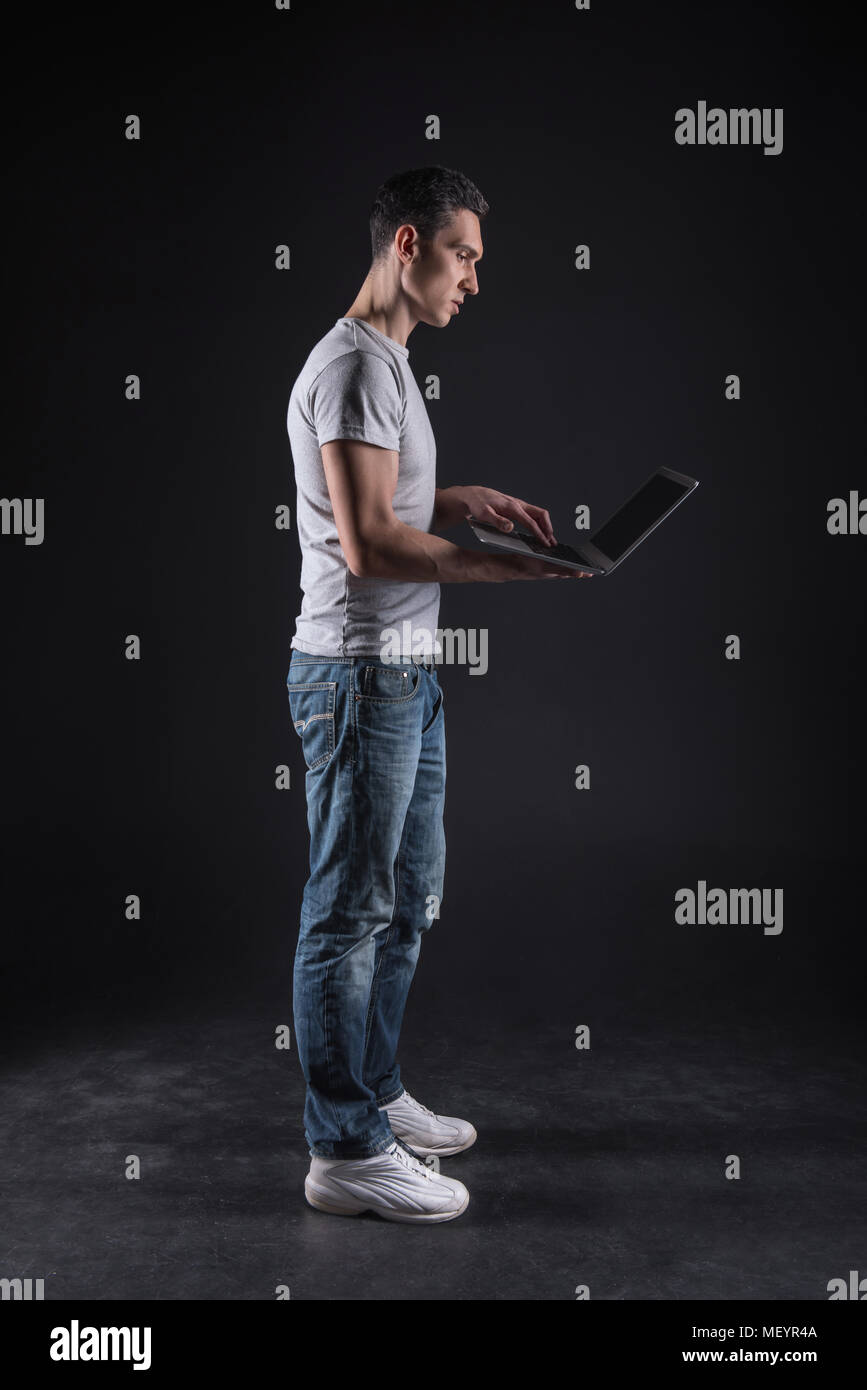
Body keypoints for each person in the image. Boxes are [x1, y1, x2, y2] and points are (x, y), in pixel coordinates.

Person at [285, 165, 593, 1225]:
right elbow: (368, 544)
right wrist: (515, 569)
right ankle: (344, 1149)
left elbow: (380, 501)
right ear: (407, 245)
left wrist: (465, 500)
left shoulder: (390, 363)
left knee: (408, 902)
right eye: (462, 255)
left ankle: (374, 1094)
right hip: (361, 677)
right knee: (350, 912)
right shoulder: (355, 370)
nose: (473, 279)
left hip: (404, 673)